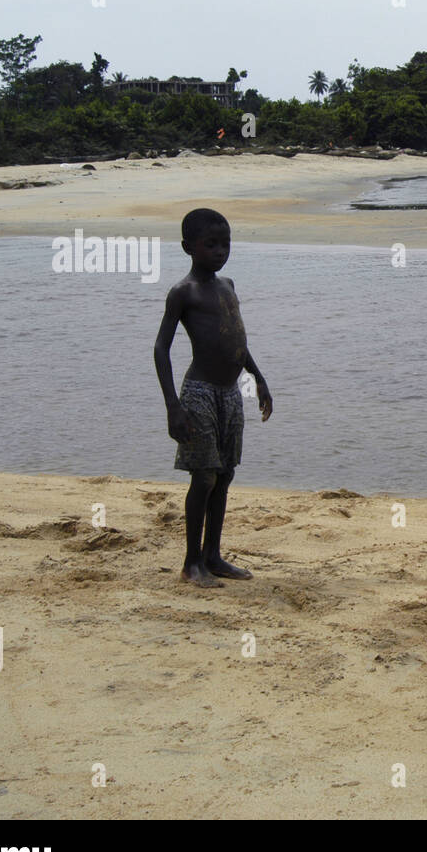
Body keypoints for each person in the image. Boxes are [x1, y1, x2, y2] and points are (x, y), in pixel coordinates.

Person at [153, 208, 273, 588]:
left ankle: (213, 555)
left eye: (226, 244)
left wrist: (258, 377)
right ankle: (191, 563)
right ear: (189, 247)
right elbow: (161, 348)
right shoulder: (183, 292)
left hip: (230, 393)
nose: (220, 251)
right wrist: (173, 405)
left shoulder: (228, 286)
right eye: (211, 245)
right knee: (203, 477)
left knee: (224, 474)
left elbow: (237, 339)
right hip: (199, 393)